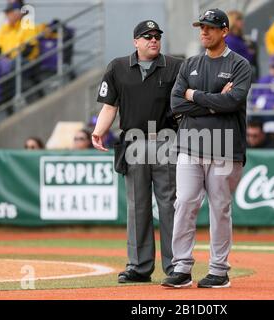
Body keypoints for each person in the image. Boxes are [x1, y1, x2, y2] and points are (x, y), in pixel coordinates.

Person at [162, 9, 252, 289]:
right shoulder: (189, 64)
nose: (204, 32)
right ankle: (181, 267)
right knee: (185, 203)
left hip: (225, 147)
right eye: (202, 27)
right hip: (189, 145)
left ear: (224, 31)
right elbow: (177, 103)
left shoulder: (240, 65)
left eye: (210, 27)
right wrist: (214, 101)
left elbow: (233, 101)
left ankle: (218, 269)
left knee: (219, 208)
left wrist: (196, 97)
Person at [92, 20, 182, 283]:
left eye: (156, 36)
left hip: (167, 141)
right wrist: (99, 130)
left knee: (169, 206)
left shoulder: (175, 65)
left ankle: (176, 265)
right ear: (135, 41)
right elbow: (110, 105)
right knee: (137, 206)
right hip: (133, 143)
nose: (153, 40)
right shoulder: (118, 67)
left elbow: (187, 100)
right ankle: (139, 267)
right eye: (147, 36)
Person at [225, 10, 257, 78]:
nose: (242, 22)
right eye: (238, 19)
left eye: (241, 19)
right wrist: (250, 53)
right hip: (236, 77)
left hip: (246, 74)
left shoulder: (240, 38)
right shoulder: (229, 40)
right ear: (232, 21)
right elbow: (236, 61)